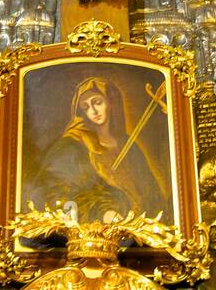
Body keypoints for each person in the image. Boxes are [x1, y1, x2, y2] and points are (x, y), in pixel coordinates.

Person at [26, 74, 169, 222]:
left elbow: (151, 192)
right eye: (86, 107)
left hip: (137, 225)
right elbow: (56, 190)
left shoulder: (129, 146)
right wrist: (102, 211)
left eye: (97, 102)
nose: (93, 111)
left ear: (111, 103)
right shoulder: (71, 145)